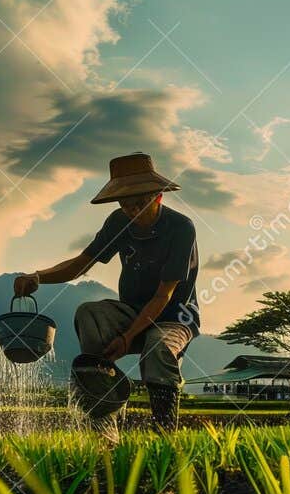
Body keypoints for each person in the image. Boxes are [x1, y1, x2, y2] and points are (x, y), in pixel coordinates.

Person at [15, 152, 199, 428]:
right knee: (89, 313)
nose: (132, 211)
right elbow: (80, 264)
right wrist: (38, 277)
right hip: (132, 310)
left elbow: (164, 295)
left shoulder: (181, 228)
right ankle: (103, 419)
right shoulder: (118, 222)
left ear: (158, 197)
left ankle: (164, 434)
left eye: (139, 204)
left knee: (158, 349)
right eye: (126, 205)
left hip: (174, 316)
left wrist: (127, 338)